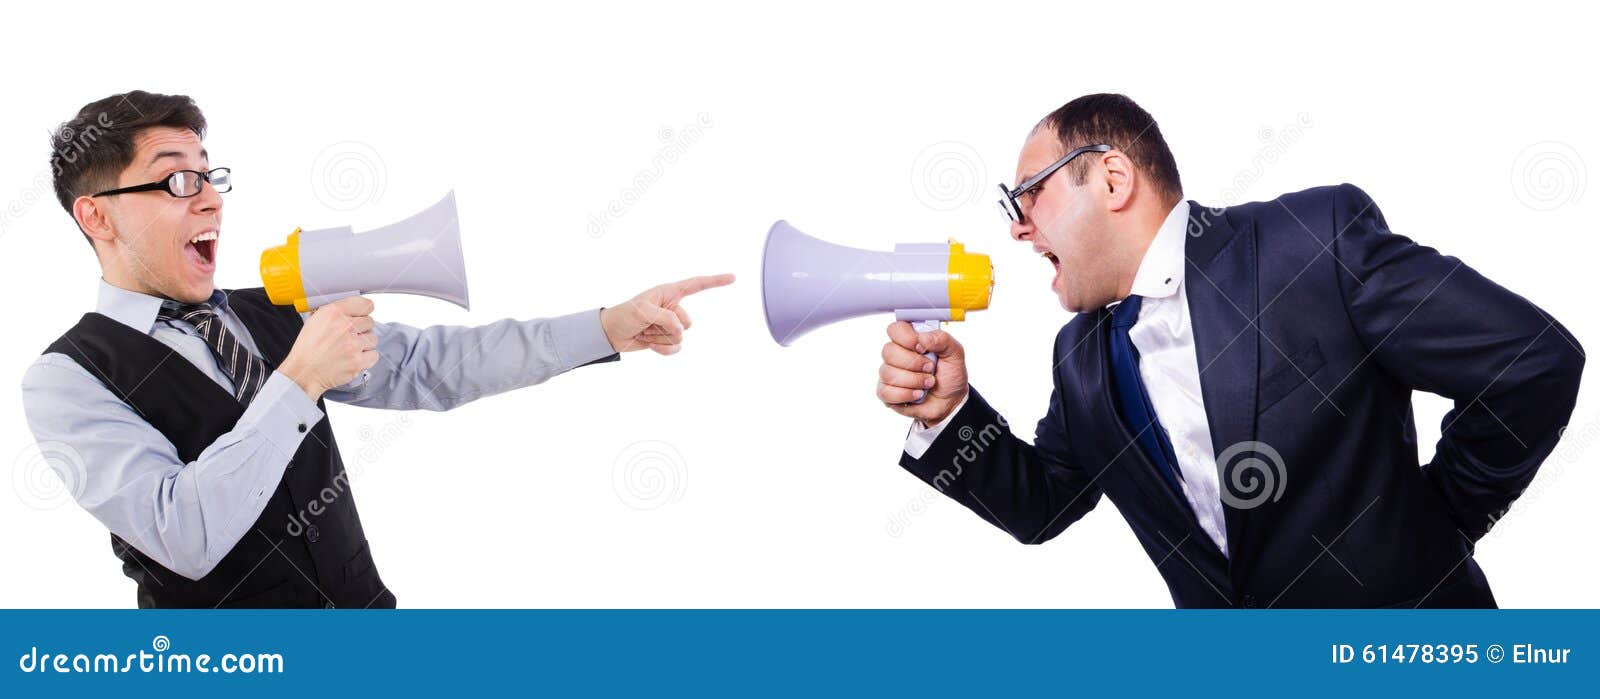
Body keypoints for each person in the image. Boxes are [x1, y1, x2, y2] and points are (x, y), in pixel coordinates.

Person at [21, 90, 733, 608]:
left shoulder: (266, 313)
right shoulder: (66, 378)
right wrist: (298, 382)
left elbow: (435, 367)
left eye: (212, 176)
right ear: (97, 215)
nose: (211, 200)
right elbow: (183, 533)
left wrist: (605, 327)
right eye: (179, 179)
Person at [877, 93, 1583, 608]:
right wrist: (949, 413)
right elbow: (1044, 506)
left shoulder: (1311, 244)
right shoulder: (1080, 358)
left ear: (1114, 179)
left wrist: (1443, 518)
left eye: (1025, 196)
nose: (1018, 229)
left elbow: (1528, 361)